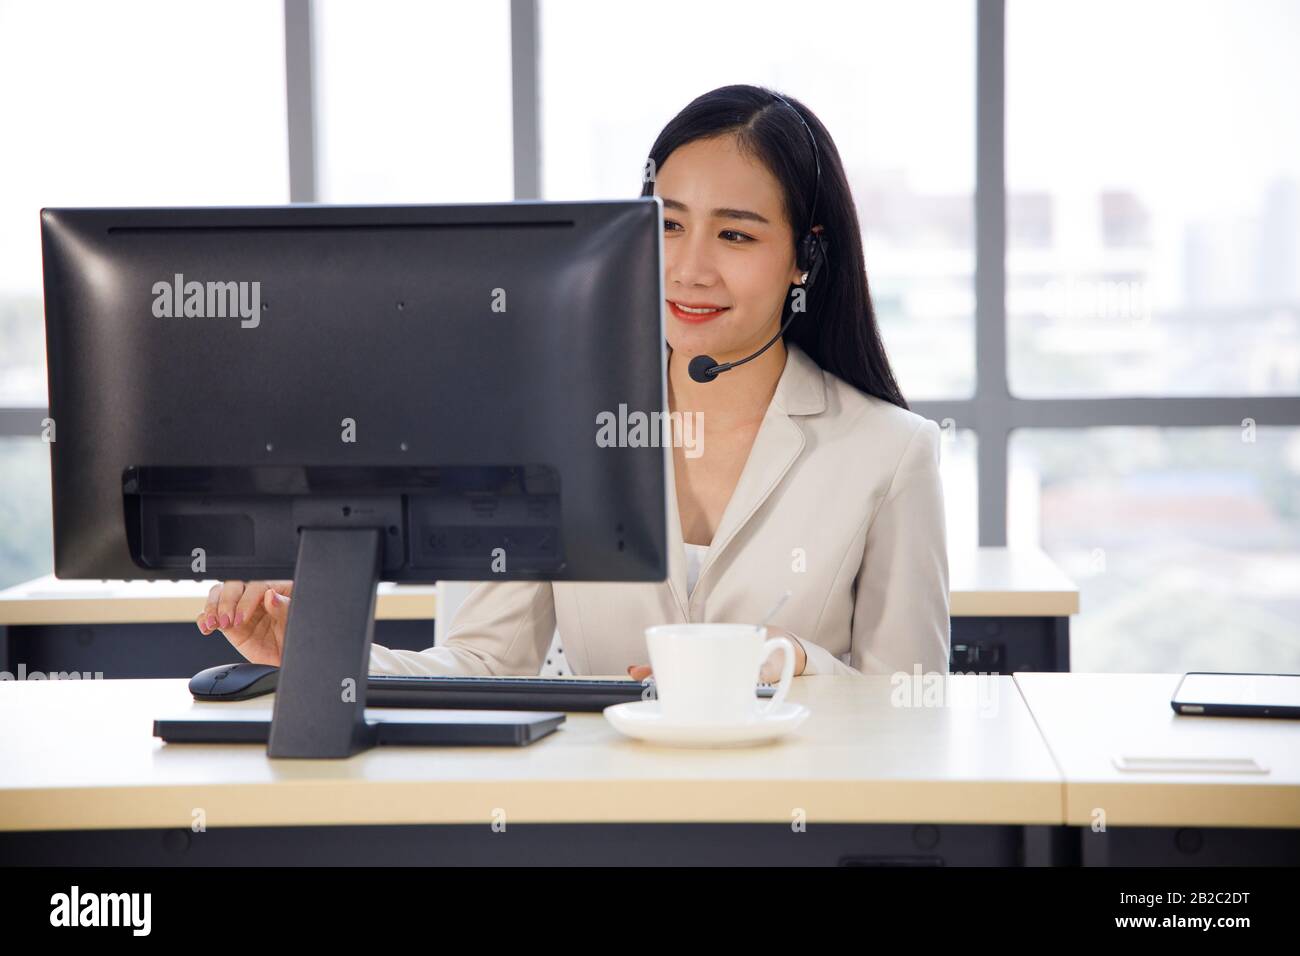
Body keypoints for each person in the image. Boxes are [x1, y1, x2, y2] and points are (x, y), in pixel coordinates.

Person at [197, 84, 950, 682]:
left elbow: (917, 706)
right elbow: (483, 667)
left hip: (802, 827)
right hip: (604, 823)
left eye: (736, 234)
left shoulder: (891, 454)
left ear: (803, 259)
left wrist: (790, 664)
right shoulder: (554, 432)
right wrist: (319, 653)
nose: (689, 267)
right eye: (668, 223)